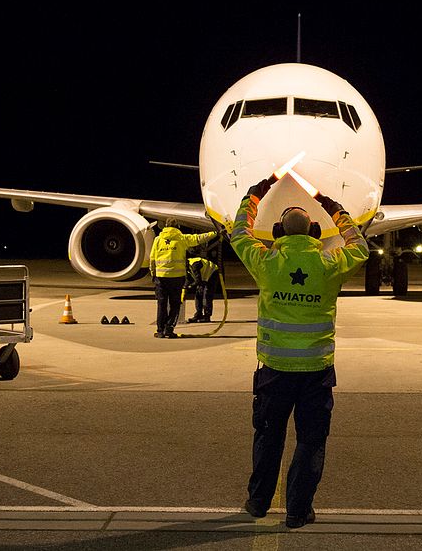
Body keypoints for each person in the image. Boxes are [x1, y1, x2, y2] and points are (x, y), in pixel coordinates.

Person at [231, 176, 369, 529]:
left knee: (268, 436)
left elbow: (239, 234)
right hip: (315, 372)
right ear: (314, 233)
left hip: (274, 370)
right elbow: (360, 247)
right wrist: (336, 210)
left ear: (278, 232)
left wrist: (253, 197)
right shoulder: (329, 263)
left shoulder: (266, 262)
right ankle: (297, 510)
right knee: (310, 441)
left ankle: (258, 502)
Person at [149, 218, 216, 338]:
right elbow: (199, 238)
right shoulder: (181, 238)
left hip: (161, 277)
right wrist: (215, 233)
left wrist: (153, 273)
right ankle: (169, 328)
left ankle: (160, 330)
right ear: (178, 227)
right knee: (175, 304)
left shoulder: (158, 240)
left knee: (162, 304)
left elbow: (152, 259)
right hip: (177, 278)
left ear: (165, 226)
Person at [185, 255, 219, 323]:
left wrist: (190, 286)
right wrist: (184, 286)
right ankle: (199, 314)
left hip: (212, 274)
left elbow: (198, 280)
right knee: (198, 294)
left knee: (207, 295)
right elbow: (188, 279)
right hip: (204, 277)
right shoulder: (187, 267)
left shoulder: (194, 265)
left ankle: (207, 316)